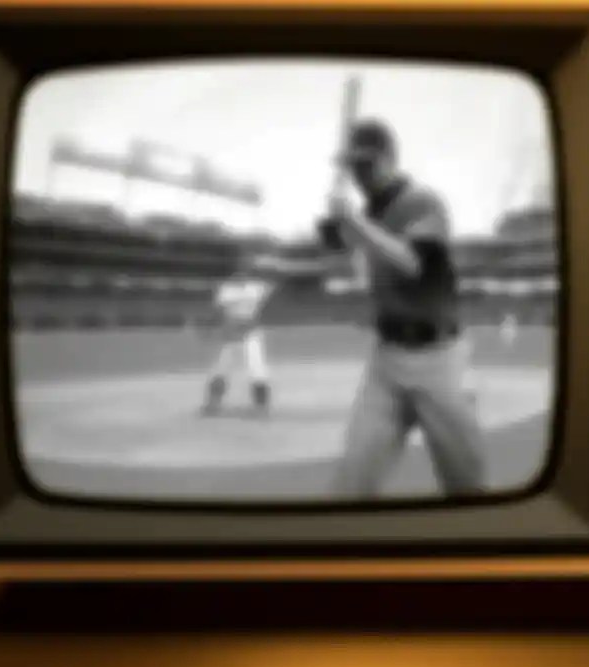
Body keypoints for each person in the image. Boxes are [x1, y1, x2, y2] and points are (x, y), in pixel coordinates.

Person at [317, 118, 486, 498]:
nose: (360, 174)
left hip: (440, 360)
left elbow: (413, 263)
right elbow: (332, 242)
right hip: (386, 363)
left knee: (467, 487)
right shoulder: (366, 213)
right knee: (351, 484)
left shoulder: (423, 202)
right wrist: (334, 215)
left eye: (367, 164)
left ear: (391, 158)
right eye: (353, 166)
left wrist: (353, 221)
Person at [199, 254, 275, 416]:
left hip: (251, 333)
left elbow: (263, 307)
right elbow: (217, 312)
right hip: (231, 334)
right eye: (238, 270)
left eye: (245, 270)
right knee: (221, 368)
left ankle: (261, 406)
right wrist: (209, 328)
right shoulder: (226, 290)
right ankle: (213, 403)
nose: (242, 273)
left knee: (257, 367)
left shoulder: (257, 288)